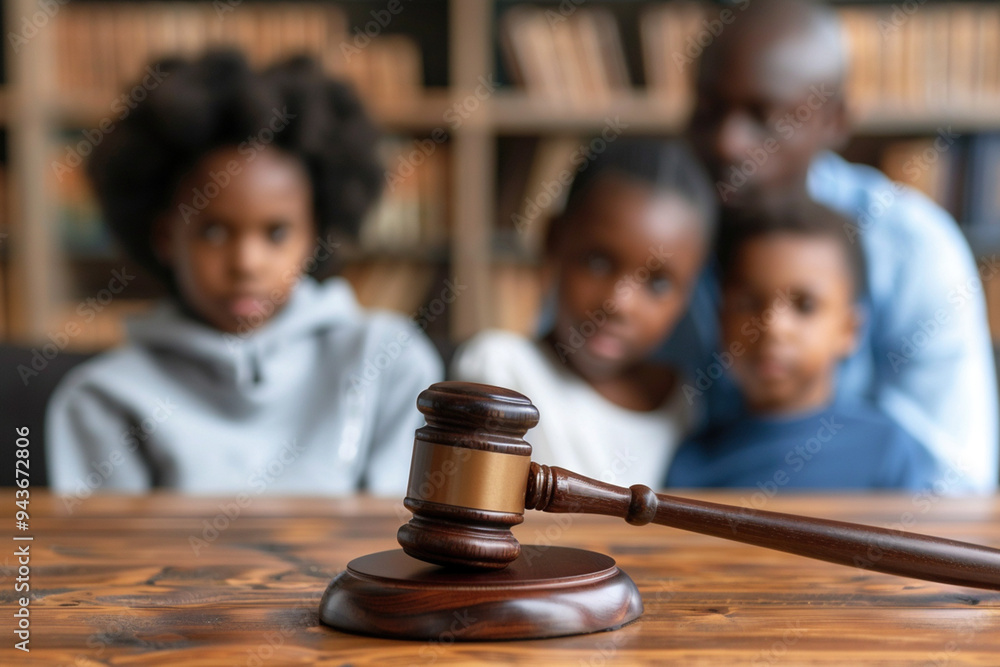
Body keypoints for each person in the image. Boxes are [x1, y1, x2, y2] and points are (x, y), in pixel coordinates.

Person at [46, 51, 442, 496]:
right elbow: (103, 561)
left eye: (276, 233)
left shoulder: (388, 361)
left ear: (315, 234)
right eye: (213, 232)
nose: (246, 264)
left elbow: (401, 545)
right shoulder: (103, 399)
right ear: (164, 236)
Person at [663, 0, 997, 491]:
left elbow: (954, 483)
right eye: (709, 109)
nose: (727, 143)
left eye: (764, 117)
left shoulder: (912, 247)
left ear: (834, 120)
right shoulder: (655, 233)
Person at [452, 139, 716, 487]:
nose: (619, 303)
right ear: (553, 241)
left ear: (690, 293)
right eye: (597, 262)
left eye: (658, 285)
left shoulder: (684, 406)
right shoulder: (501, 371)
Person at [667, 200, 939, 490]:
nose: (773, 327)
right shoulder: (692, 463)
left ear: (849, 330)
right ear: (721, 322)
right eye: (748, 304)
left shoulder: (889, 451)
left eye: (805, 306)